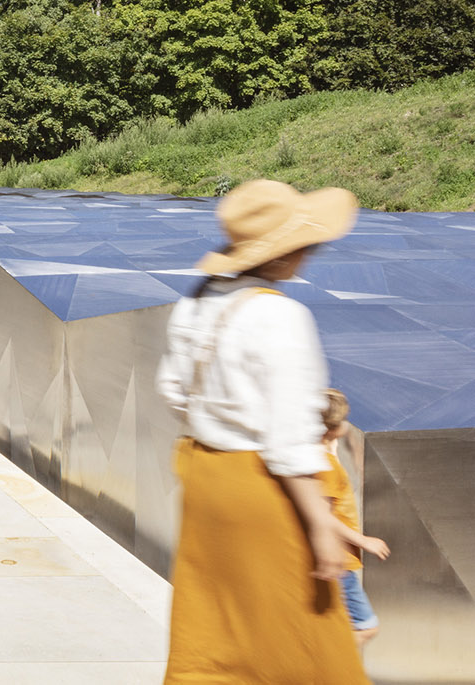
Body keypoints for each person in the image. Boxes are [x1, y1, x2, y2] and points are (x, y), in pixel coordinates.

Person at [156, 178, 369, 684]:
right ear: (279, 256)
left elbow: (172, 390)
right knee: (305, 642)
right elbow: (291, 440)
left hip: (206, 480)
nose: (310, 251)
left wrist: (221, 419)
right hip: (263, 490)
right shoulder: (282, 316)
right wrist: (321, 526)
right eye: (304, 243)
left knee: (214, 631)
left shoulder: (196, 301)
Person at [320, 388, 389, 650]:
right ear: (330, 429)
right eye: (341, 421)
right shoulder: (326, 468)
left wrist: (333, 444)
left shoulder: (323, 453)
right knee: (366, 627)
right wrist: (363, 541)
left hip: (340, 561)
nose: (347, 424)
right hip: (340, 562)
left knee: (339, 622)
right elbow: (324, 518)